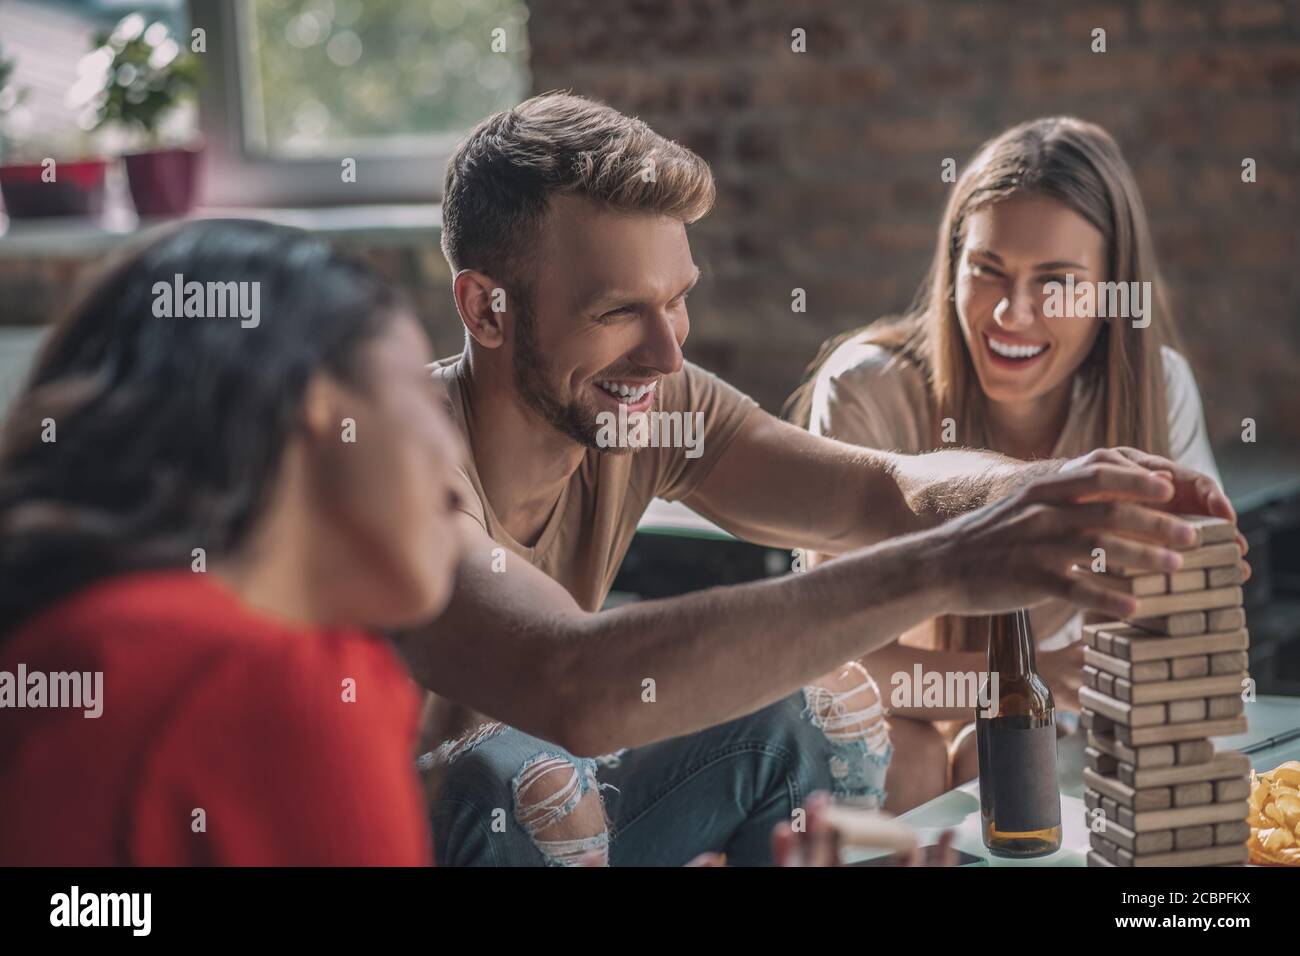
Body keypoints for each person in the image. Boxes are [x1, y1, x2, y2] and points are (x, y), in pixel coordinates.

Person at [393, 93, 1237, 866]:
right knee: (530, 780)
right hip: (391, 831)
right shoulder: (395, 465)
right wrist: (947, 565)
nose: (666, 353)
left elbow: (877, 492)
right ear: (484, 308)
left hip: (556, 795)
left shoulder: (649, 406)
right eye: (618, 311)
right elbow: (571, 684)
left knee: (819, 713)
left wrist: (1049, 491)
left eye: (676, 299)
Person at [785, 117, 1242, 812]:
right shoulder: (869, 387)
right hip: (896, 717)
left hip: (1054, 719)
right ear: (953, 268)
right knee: (916, 759)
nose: (1010, 313)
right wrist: (1029, 677)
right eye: (987, 270)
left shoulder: (1158, 388)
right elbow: (827, 660)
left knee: (1009, 755)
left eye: (1056, 282)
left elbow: (1188, 652)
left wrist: (1197, 598)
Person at [0, 220, 465, 865]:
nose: (457, 469)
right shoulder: (271, 687)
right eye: (424, 393)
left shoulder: (70, 643)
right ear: (319, 400)